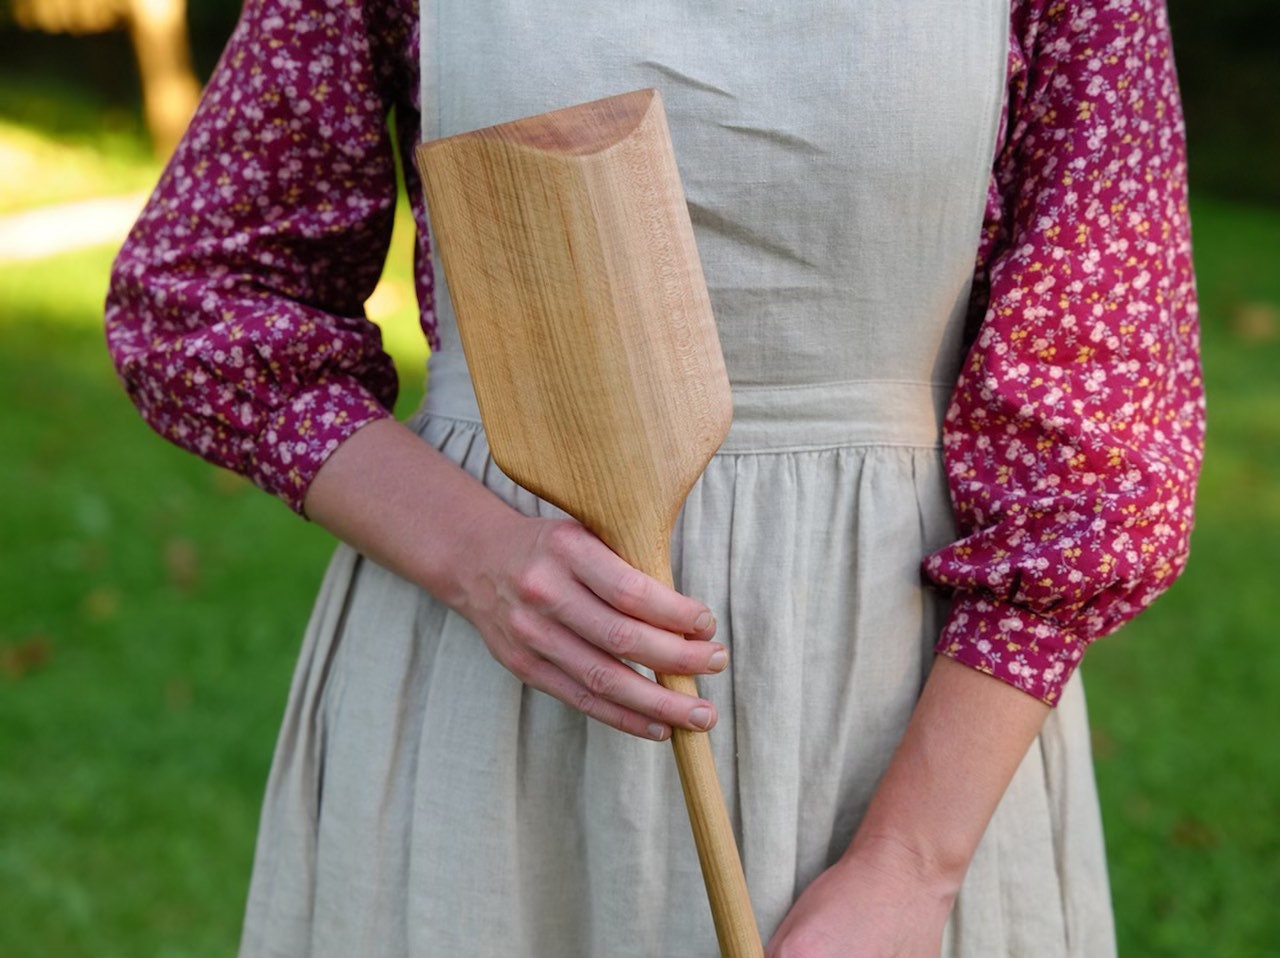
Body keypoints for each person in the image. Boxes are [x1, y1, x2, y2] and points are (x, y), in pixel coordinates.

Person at [105, 0, 1204, 954]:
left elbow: (1100, 433)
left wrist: (909, 864)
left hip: (895, 718)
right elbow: (206, 292)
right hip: (487, 692)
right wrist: (477, 557)